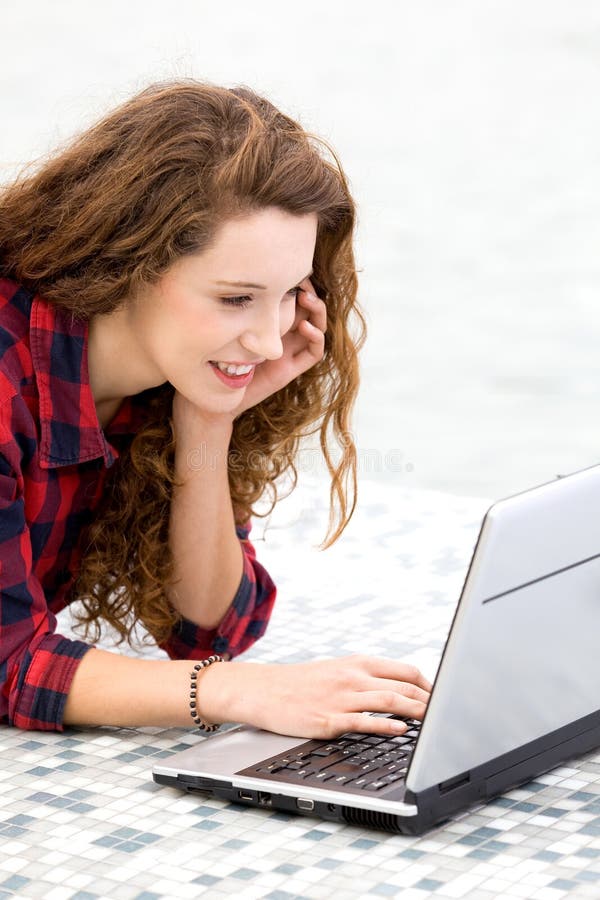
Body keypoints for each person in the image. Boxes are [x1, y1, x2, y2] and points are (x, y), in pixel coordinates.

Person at [0, 79, 431, 737]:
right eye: (235, 300)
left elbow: (206, 630)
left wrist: (206, 423)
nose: (265, 339)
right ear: (126, 262)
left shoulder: (163, 378)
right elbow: (9, 665)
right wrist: (239, 693)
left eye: (290, 293)